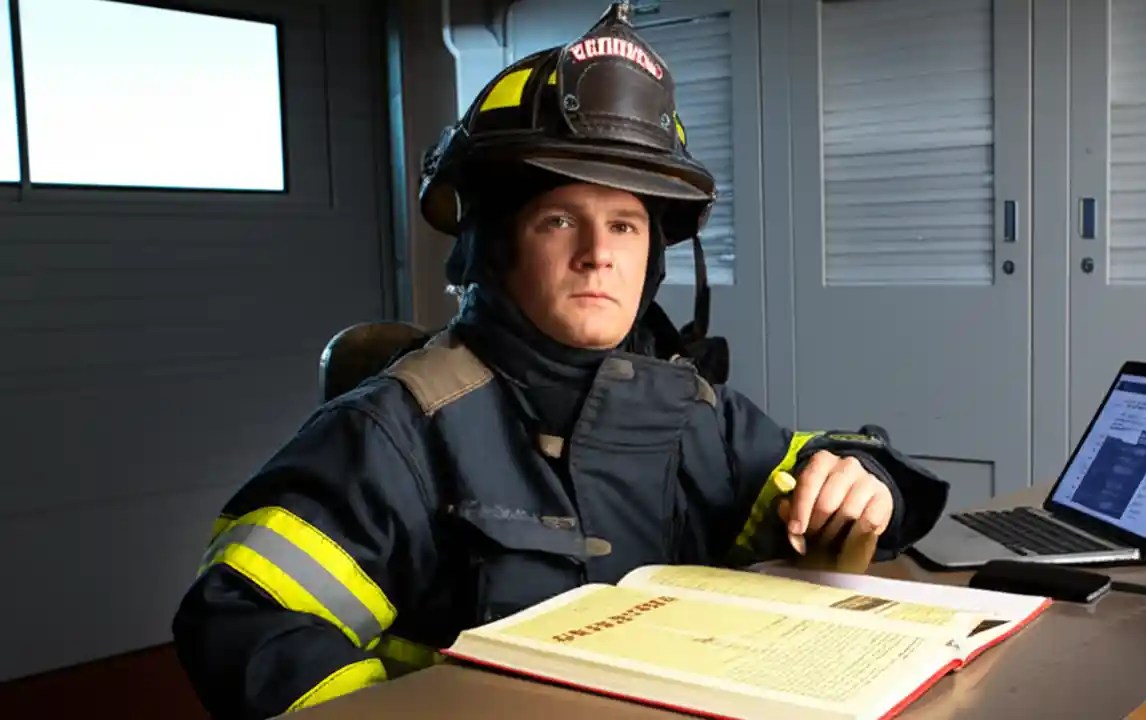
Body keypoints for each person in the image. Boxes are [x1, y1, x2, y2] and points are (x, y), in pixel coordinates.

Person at [171, 4, 949, 719]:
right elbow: (246, 619)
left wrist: (862, 476)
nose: (597, 256)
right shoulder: (398, 432)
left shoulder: (693, 412)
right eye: (559, 220)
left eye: (625, 225)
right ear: (497, 247)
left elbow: (818, 476)